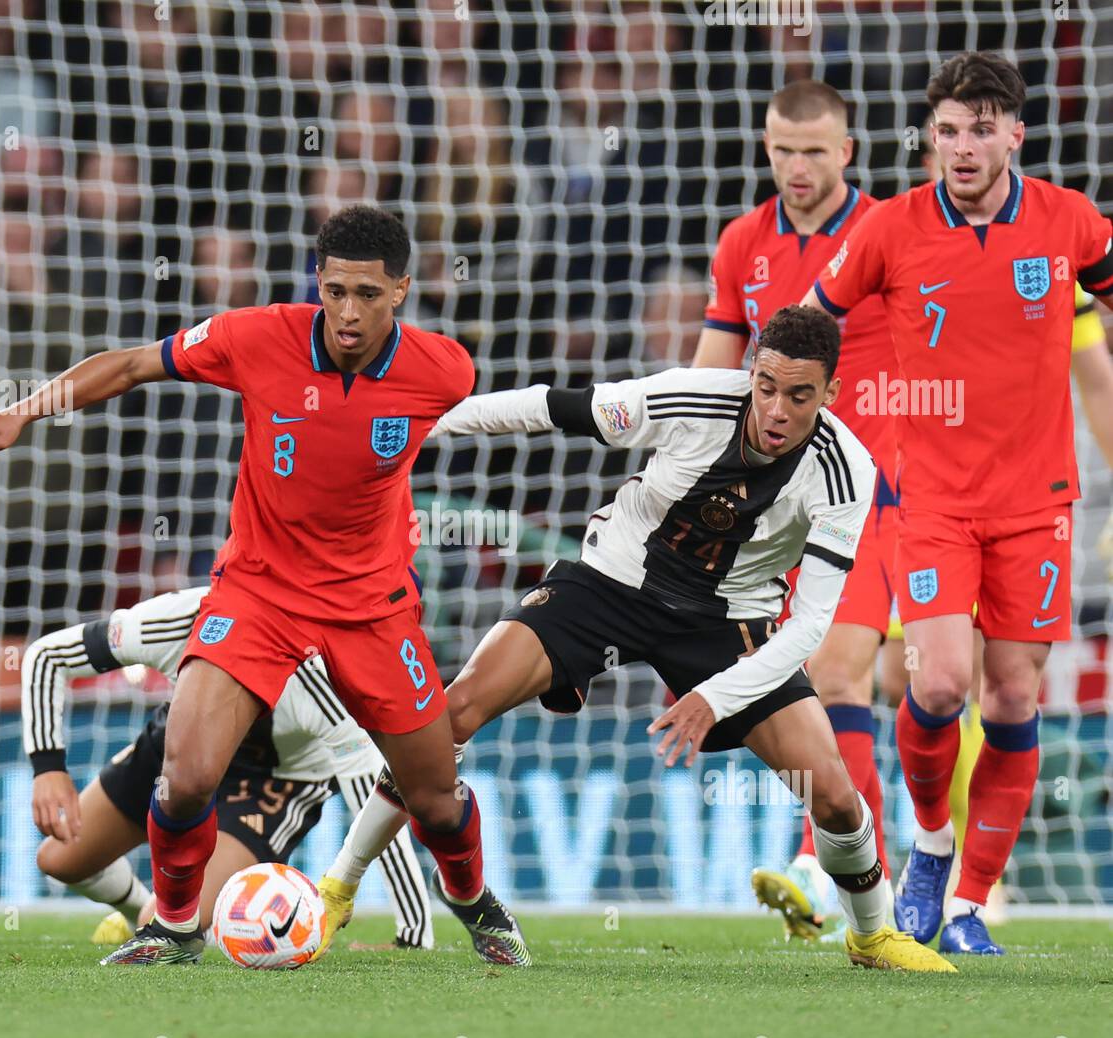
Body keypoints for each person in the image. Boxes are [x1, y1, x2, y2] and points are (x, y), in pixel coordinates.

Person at [0, 204, 529, 967]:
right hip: (259, 592)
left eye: (368, 296)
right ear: (318, 280)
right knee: (184, 776)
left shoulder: (443, 369)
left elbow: (500, 420)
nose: (348, 313)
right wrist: (27, 408)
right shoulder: (256, 336)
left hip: (371, 606)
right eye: (336, 290)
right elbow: (131, 365)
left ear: (402, 291)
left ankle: (477, 905)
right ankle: (173, 925)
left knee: (437, 798)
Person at [324, 305, 955, 973]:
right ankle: (338, 886)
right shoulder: (691, 397)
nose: (775, 409)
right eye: (765, 386)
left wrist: (715, 696)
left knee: (830, 787)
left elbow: (810, 623)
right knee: (451, 714)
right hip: (610, 584)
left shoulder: (845, 471)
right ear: (751, 373)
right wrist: (429, 420)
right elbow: (549, 407)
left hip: (728, 623)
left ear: (829, 393)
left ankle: (873, 935)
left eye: (798, 395)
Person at [804, 52, 1113, 954]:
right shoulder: (892, 229)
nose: (963, 147)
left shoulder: (1069, 222)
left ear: (1015, 133)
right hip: (930, 497)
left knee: (1013, 699)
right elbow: (813, 316)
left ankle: (973, 903)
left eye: (982, 129)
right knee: (938, 681)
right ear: (930, 136)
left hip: (1038, 501)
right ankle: (931, 842)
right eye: (948, 131)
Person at [692, 79, 900, 942]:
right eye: (782, 148)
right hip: (772, 509)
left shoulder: (889, 231)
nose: (797, 166)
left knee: (847, 674)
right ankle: (853, 880)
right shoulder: (744, 241)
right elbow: (714, 374)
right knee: (802, 688)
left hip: (876, 492)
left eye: (815, 149)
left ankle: (834, 868)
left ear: (847, 151)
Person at [24, 585, 433, 950]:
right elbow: (45, 657)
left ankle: (152, 917)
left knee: (166, 924)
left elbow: (377, 789)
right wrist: (47, 768)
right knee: (59, 860)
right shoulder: (179, 620)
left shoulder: (313, 678)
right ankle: (135, 911)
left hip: (272, 782)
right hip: (183, 747)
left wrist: (414, 932)